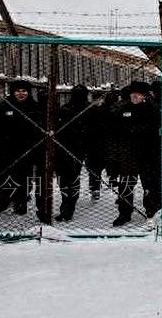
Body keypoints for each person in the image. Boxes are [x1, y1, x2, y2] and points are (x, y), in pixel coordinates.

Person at [107, 81, 161, 227]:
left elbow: (156, 132)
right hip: (128, 154)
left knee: (149, 185)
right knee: (125, 185)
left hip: (147, 155)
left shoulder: (153, 110)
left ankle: (152, 211)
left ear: (144, 95)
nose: (134, 96)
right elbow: (115, 133)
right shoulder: (123, 109)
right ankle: (124, 213)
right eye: (132, 94)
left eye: (137, 94)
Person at [0, 80, 45, 216]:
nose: (21, 93)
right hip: (6, 151)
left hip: (27, 151)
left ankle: (21, 203)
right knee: (3, 178)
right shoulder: (4, 106)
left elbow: (40, 130)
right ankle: (1, 202)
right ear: (12, 92)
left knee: (23, 179)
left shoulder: (35, 107)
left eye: (24, 91)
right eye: (18, 91)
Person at [53, 84, 94, 222]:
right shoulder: (65, 109)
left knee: (71, 178)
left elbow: (94, 129)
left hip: (78, 149)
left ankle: (68, 207)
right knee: (65, 179)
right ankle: (67, 204)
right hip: (64, 148)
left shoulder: (89, 109)